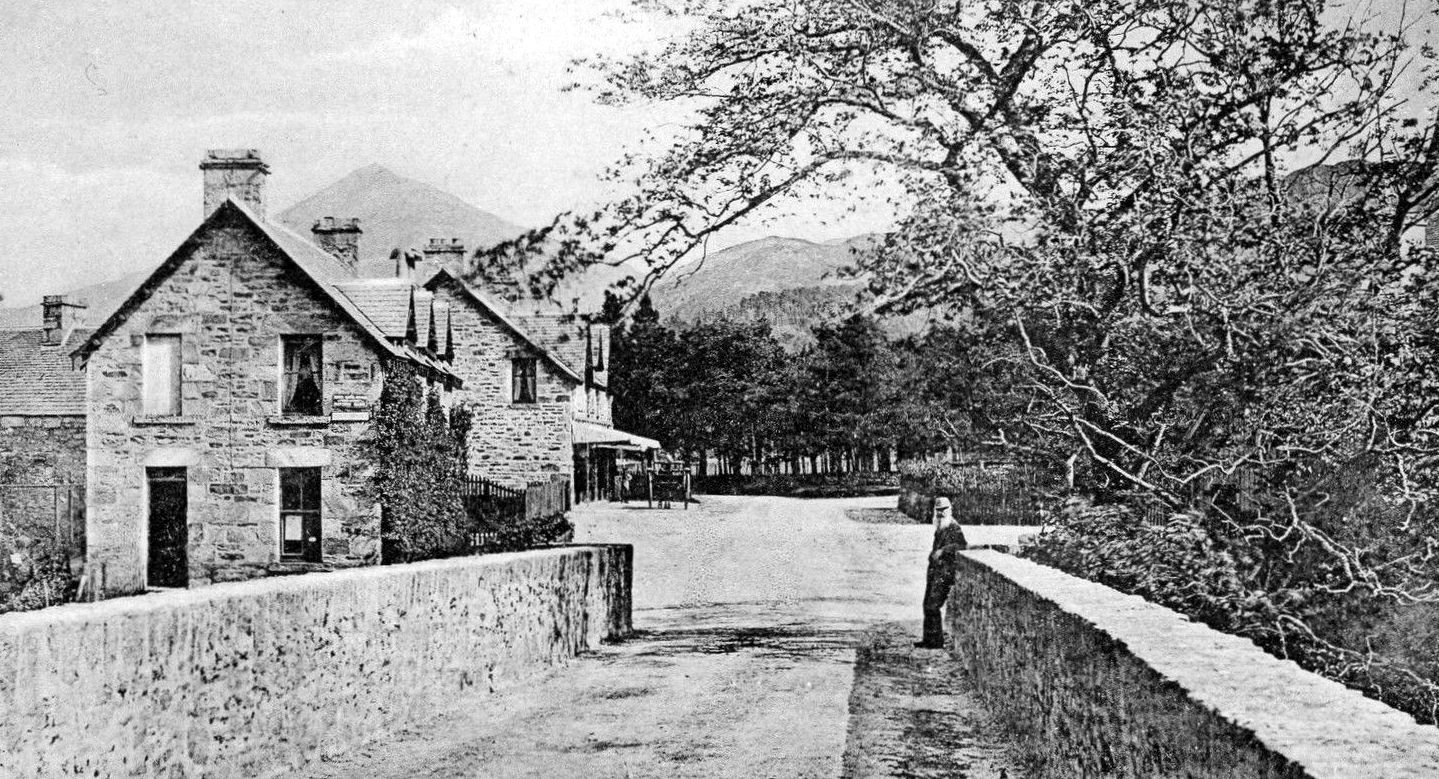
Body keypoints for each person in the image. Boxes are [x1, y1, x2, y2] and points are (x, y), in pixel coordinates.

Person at [917, 496, 968, 649]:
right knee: (927, 605)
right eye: (938, 510)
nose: (940, 513)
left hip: (945, 573)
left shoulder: (953, 526)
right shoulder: (940, 527)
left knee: (932, 606)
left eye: (943, 510)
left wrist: (942, 551)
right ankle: (929, 639)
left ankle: (935, 642)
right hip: (935, 572)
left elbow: (961, 545)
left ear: (949, 510)